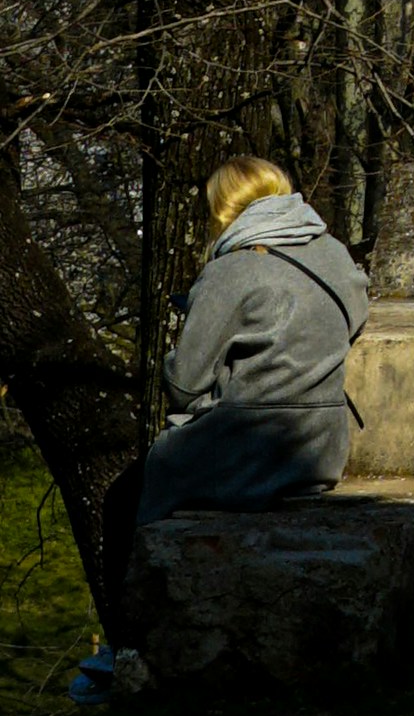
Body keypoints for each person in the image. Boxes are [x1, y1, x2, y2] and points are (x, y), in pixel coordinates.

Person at [87, 151, 371, 675]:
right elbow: (354, 319)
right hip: (322, 444)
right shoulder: (332, 253)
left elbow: (183, 383)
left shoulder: (230, 270)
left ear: (223, 209)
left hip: (250, 445)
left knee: (126, 494)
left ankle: (127, 647)